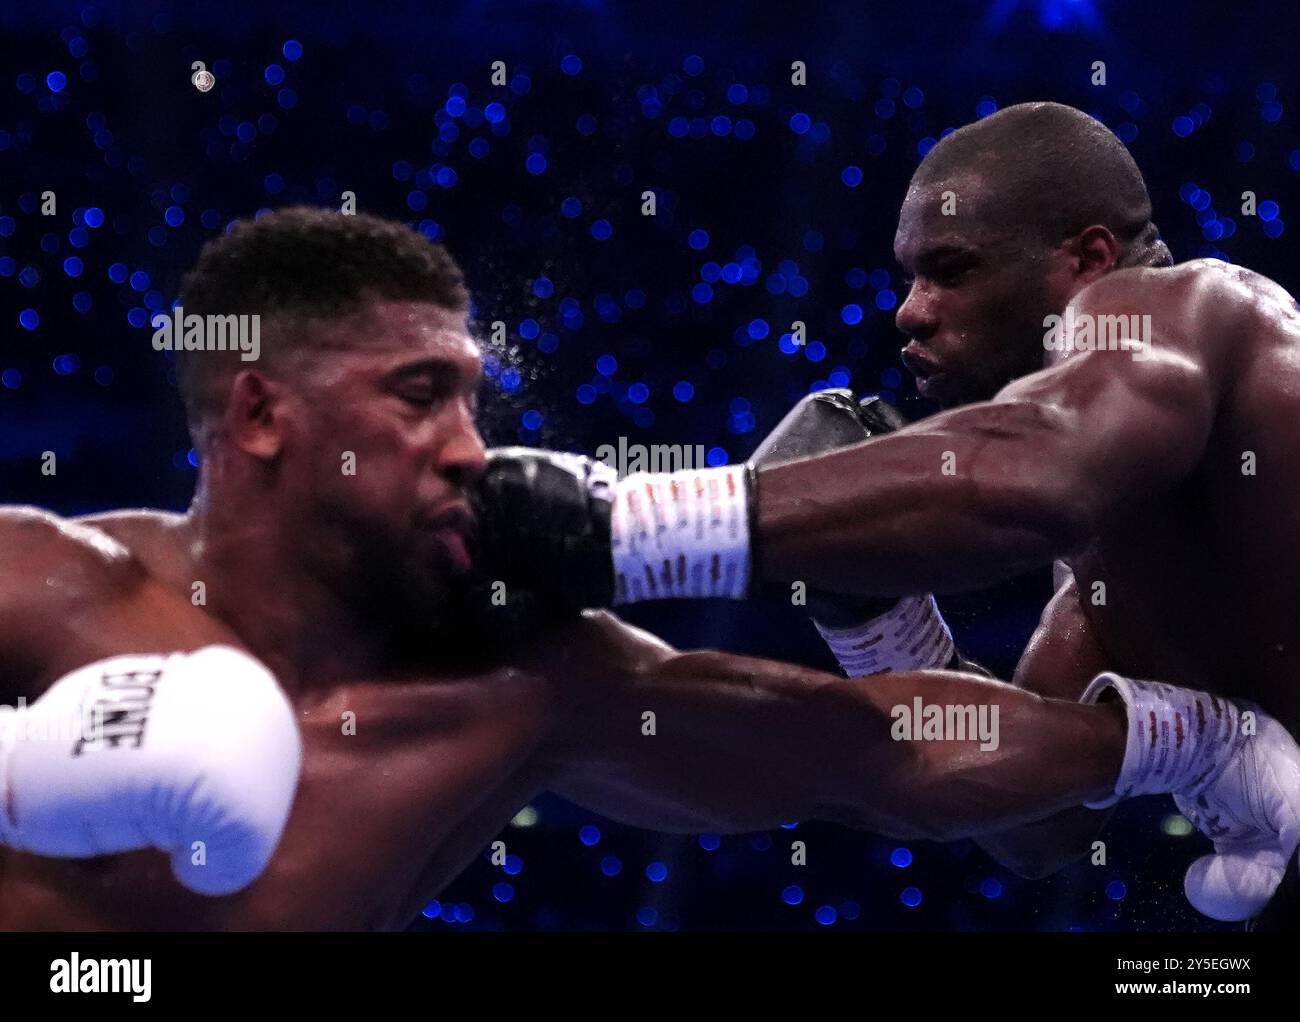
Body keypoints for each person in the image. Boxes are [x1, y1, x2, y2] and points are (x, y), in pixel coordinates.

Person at [0, 207, 1292, 931]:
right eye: (417, 397)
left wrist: (1185, 740)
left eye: (470, 399)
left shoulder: (530, 683)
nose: (470, 449)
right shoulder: (44, 583)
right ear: (265, 416)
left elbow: (884, 749)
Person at [472, 103, 1300, 922]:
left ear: (1086, 261)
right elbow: (1042, 827)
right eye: (910, 277)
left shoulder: (1190, 308)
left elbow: (1036, 472)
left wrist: (625, 527)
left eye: (951, 268)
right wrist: (875, 617)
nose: (910, 311)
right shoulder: (1106, 566)